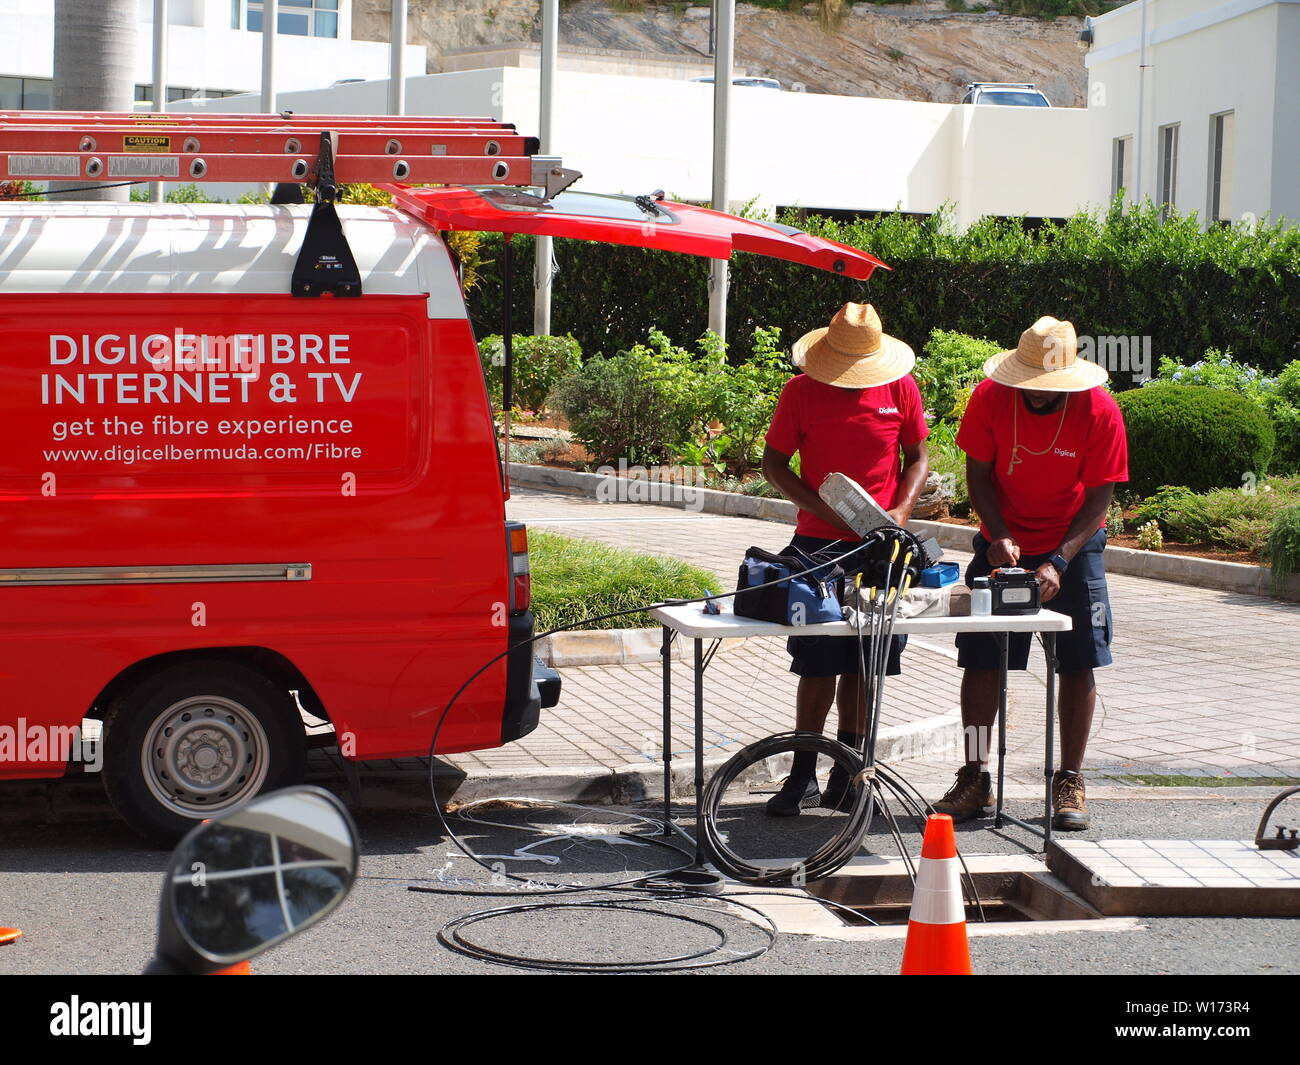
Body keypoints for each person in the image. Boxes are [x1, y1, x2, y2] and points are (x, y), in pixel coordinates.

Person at [933, 316, 1128, 831]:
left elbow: (1100, 496)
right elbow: (978, 474)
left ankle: (1069, 779)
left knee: (1078, 659)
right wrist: (997, 537)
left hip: (1073, 544)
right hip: (1003, 541)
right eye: (1030, 388)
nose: (1037, 397)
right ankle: (975, 775)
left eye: (1048, 390)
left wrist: (1059, 560)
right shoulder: (990, 398)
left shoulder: (1100, 410)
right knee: (981, 661)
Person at [761, 302, 929, 817]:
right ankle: (803, 773)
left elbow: (918, 456)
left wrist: (898, 512)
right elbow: (773, 464)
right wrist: (818, 507)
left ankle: (849, 773)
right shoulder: (801, 393)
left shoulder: (900, 388)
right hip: (817, 546)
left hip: (880, 548)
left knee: (864, 662)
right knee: (817, 663)